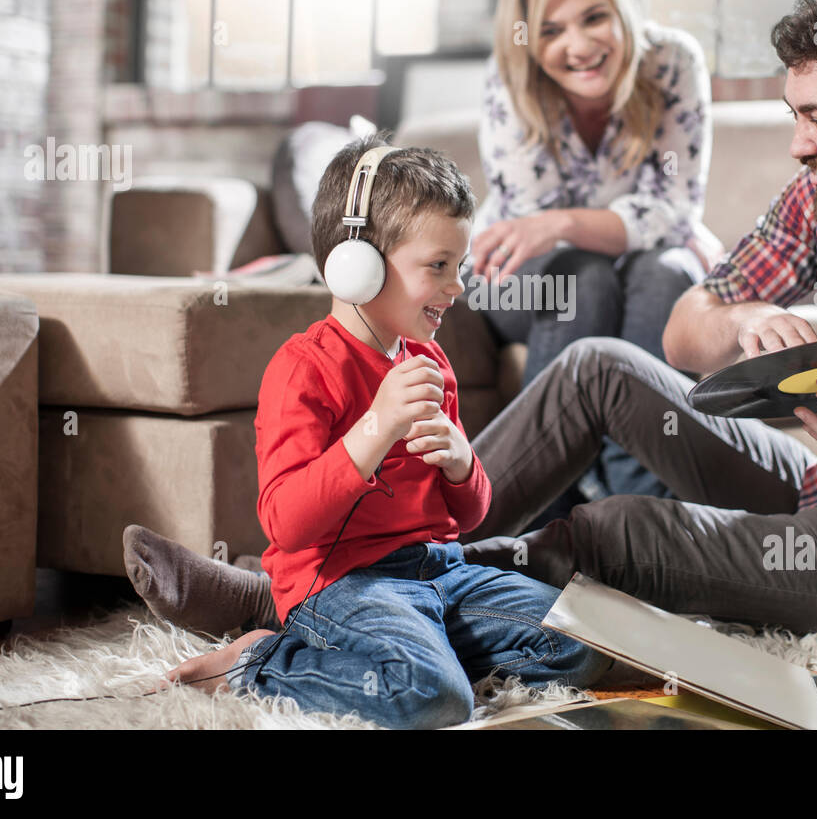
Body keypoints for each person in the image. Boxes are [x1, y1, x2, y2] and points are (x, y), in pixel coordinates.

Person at [129, 0, 817, 637]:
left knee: (619, 529)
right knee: (595, 366)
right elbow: (687, 326)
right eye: (795, 117)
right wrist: (744, 325)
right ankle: (338, 570)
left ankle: (314, 590)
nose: (797, 146)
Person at [149, 137, 608, 729]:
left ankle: (414, 658)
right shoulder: (303, 366)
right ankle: (262, 658)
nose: (457, 287)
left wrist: (463, 465)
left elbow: (469, 517)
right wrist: (377, 425)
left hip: (443, 571)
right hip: (346, 584)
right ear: (356, 261)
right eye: (438, 266)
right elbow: (285, 523)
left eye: (459, 267)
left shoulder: (431, 364)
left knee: (588, 642)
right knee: (435, 700)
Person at [470, 0, 721, 511]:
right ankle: (535, 519)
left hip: (635, 269)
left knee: (664, 270)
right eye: (552, 31)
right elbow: (527, 227)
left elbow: (674, 207)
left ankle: (643, 509)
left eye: (594, 18)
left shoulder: (673, 62)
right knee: (582, 277)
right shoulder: (509, 82)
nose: (579, 46)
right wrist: (593, 227)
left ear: (623, 11)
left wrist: (563, 224)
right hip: (516, 278)